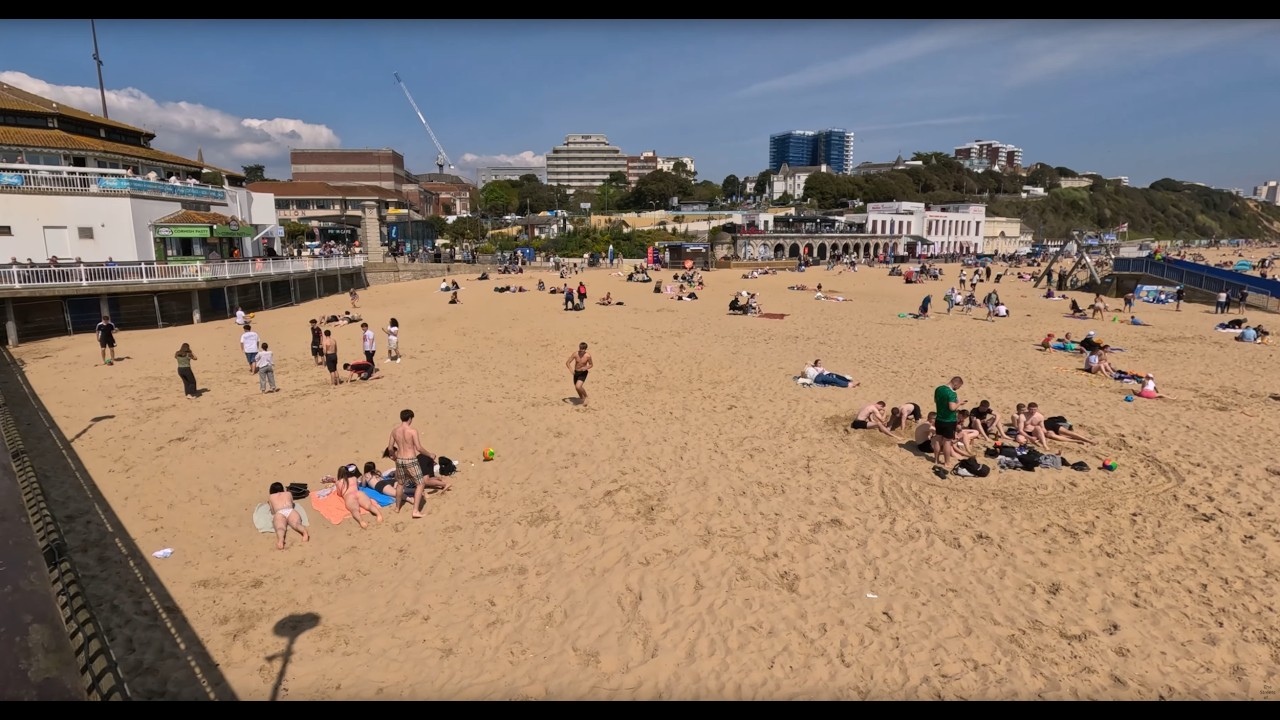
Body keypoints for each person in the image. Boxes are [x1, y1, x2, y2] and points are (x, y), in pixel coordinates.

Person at [387, 409, 431, 518]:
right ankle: (415, 511)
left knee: (400, 484)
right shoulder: (412, 431)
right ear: (410, 418)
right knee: (420, 484)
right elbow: (419, 448)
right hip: (411, 460)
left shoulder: (394, 431)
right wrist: (429, 455)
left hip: (400, 460)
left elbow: (390, 448)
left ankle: (397, 508)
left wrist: (394, 456)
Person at [335, 463, 382, 529]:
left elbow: (339, 494)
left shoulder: (338, 482)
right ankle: (378, 515)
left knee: (354, 510)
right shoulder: (354, 478)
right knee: (369, 505)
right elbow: (357, 486)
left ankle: (361, 521)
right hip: (358, 493)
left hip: (349, 496)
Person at [932, 376, 964, 466]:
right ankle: (947, 462)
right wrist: (959, 403)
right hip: (949, 420)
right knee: (947, 442)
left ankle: (936, 460)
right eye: (958, 387)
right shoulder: (952, 393)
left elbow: (936, 401)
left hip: (939, 418)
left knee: (937, 439)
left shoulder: (938, 389)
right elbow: (952, 408)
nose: (957, 389)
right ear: (956, 383)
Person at [268, 481, 309, 550]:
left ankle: (281, 540)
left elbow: (272, 510)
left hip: (279, 512)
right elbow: (292, 504)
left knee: (280, 528)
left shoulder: (271, 497)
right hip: (289, 510)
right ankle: (305, 533)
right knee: (297, 524)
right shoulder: (288, 493)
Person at [566, 342, 593, 406]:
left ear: (585, 349)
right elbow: (567, 363)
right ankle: (582, 399)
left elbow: (591, 364)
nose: (581, 350)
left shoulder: (588, 356)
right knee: (577, 388)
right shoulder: (575, 354)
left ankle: (586, 397)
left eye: (583, 349)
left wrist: (586, 367)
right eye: (580, 348)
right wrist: (571, 370)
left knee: (578, 386)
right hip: (576, 372)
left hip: (583, 373)